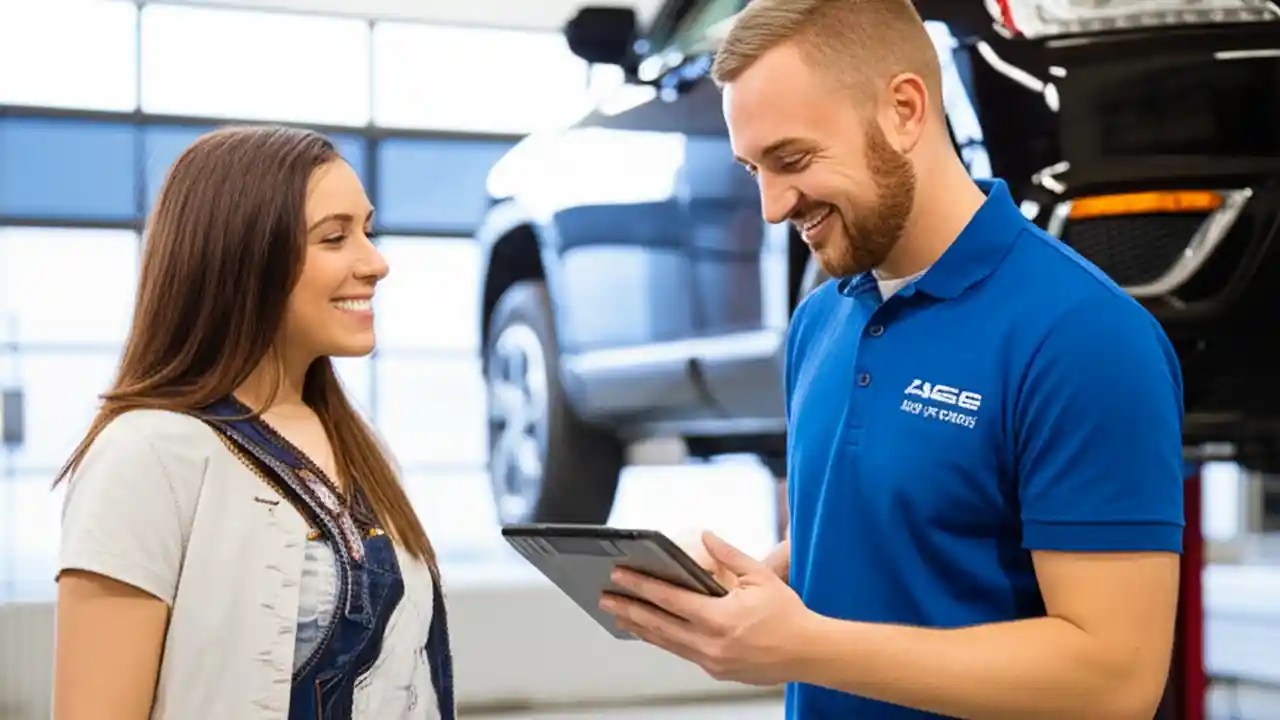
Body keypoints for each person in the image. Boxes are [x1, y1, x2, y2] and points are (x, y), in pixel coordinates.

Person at [598, 1, 1185, 719]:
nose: (773, 205)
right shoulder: (820, 321)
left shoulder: (1085, 338)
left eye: (792, 159)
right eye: (752, 168)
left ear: (905, 109)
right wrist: (749, 585)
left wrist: (801, 647)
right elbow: (907, 533)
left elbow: (1113, 679)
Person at [52, 125, 455, 720]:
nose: (376, 263)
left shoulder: (360, 447)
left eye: (366, 231)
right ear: (243, 254)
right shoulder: (145, 455)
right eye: (335, 237)